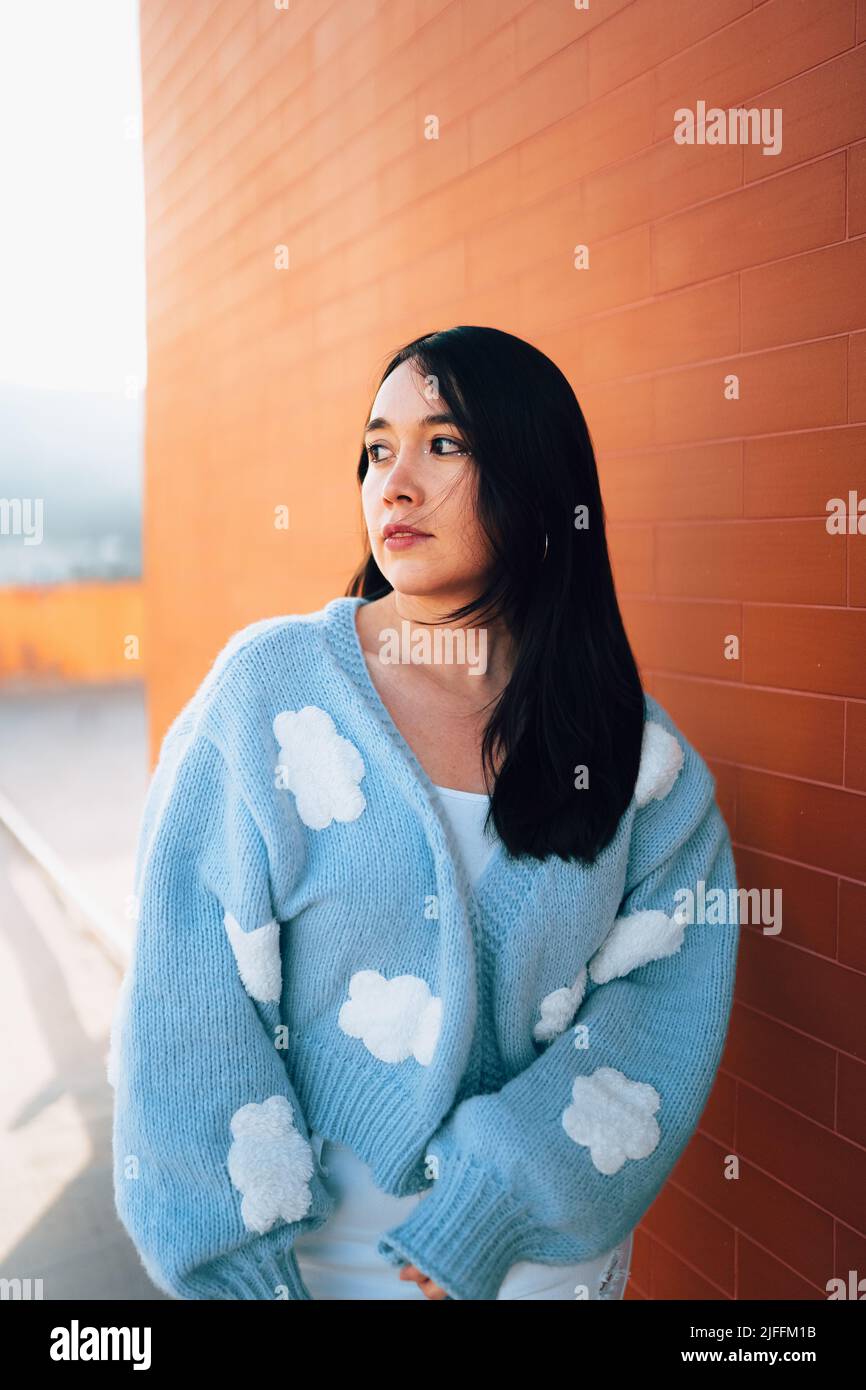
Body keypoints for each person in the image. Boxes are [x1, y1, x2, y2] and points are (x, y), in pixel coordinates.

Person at [109, 326, 740, 1301]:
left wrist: (482, 1214)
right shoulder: (269, 701)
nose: (393, 484)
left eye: (441, 444)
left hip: (537, 1271)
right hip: (309, 1274)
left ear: (534, 478)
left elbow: (653, 1031)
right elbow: (184, 1006)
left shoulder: (638, 767)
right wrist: (237, 1274)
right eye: (376, 448)